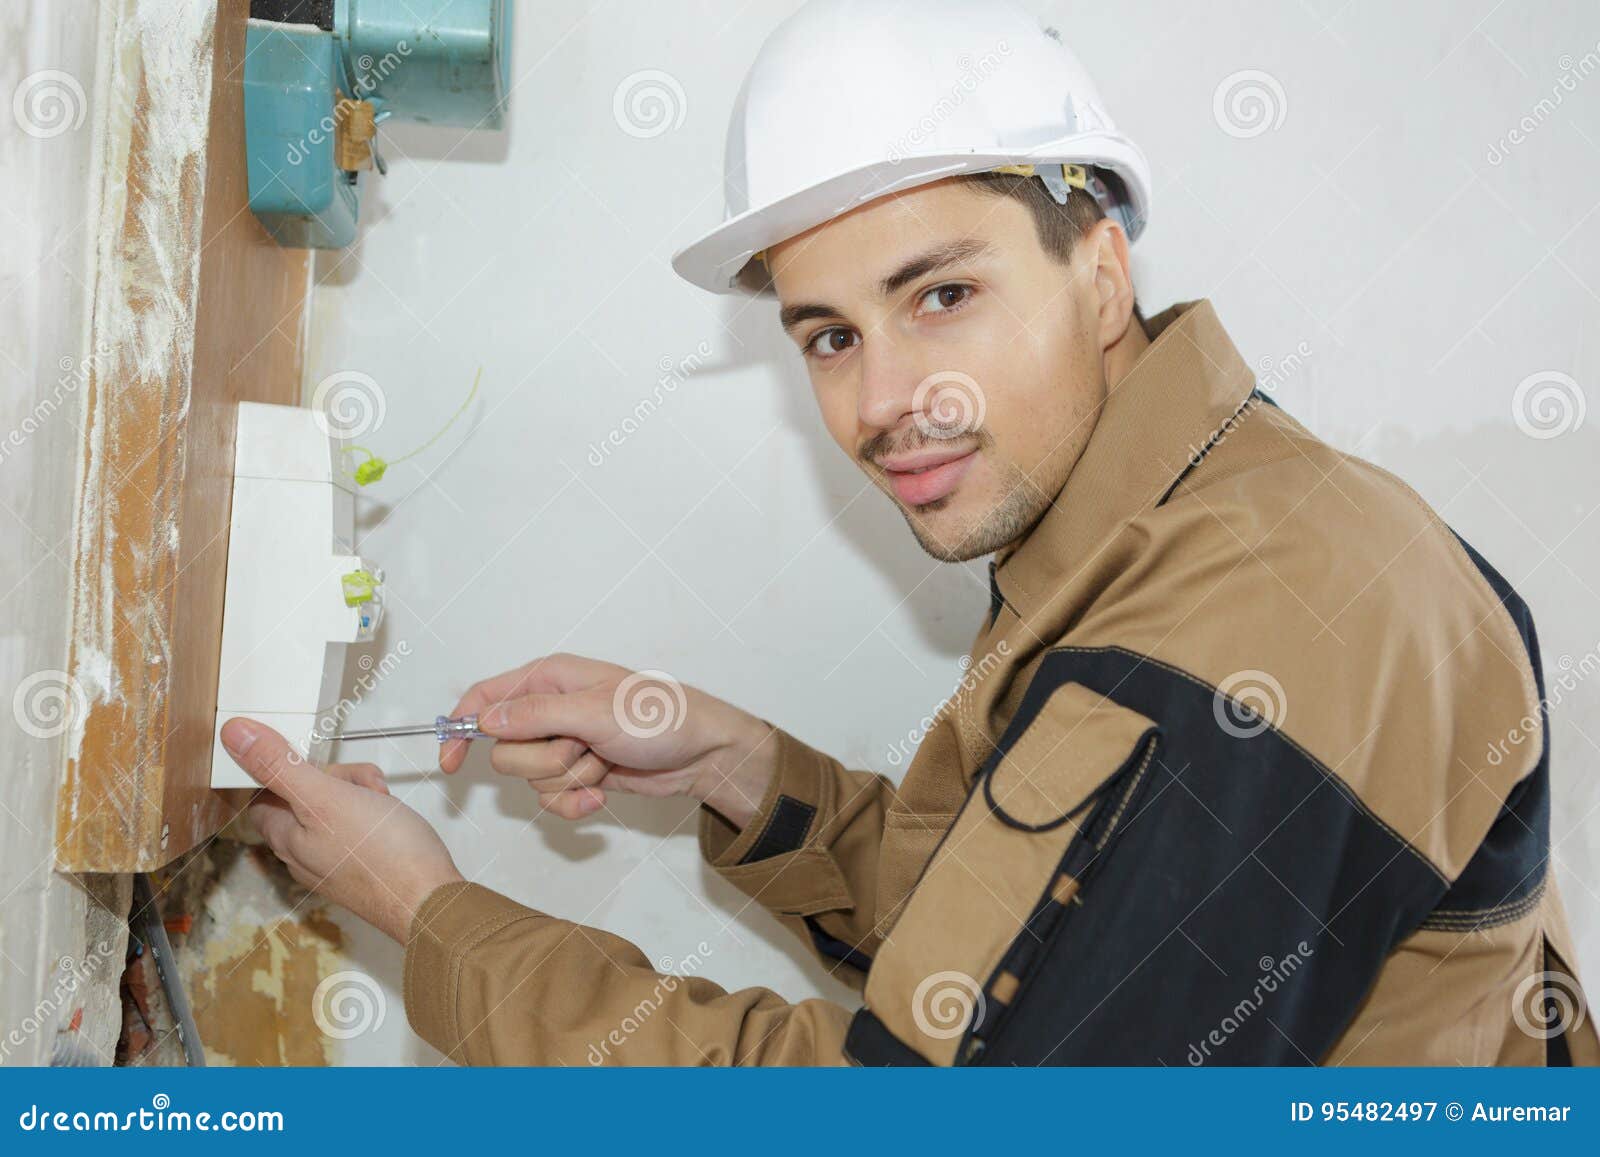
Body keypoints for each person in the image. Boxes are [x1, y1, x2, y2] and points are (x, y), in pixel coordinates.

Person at [223, 0, 1598, 1065]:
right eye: (829, 333)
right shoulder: (1166, 524)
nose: (884, 404)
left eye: (940, 294)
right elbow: (1025, 943)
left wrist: (431, 916)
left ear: (1101, 271)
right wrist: (734, 764)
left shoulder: (1264, 617)